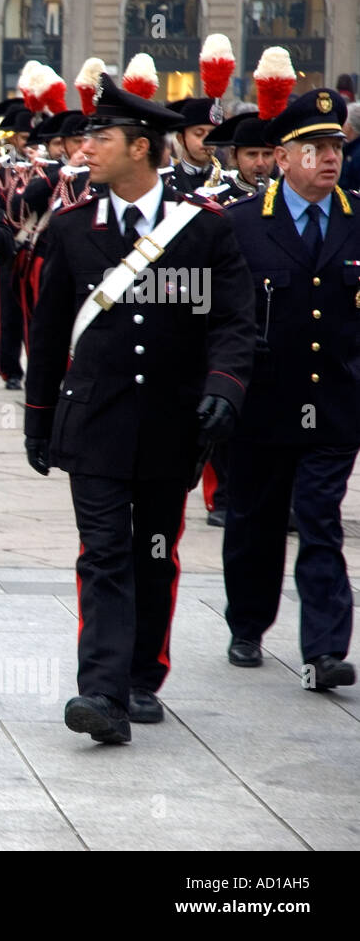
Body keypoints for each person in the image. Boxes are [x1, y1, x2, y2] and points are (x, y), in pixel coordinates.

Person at [24, 75, 255, 744]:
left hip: (169, 421)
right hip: (94, 420)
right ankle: (99, 691)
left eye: (102, 136)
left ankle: (141, 676)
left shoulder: (203, 228)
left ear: (142, 148)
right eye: (90, 134)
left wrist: (224, 387)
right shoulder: (71, 228)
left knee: (152, 552)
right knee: (102, 554)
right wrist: (38, 418)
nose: (88, 146)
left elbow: (234, 320)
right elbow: (46, 330)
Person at [221, 89, 360, 691]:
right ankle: (248, 624)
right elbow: (219, 316)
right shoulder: (241, 225)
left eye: (334, 147)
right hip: (263, 403)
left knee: (319, 517)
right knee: (254, 518)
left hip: (335, 403)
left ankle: (326, 650)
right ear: (282, 158)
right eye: (314, 149)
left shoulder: (358, 220)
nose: (328, 159)